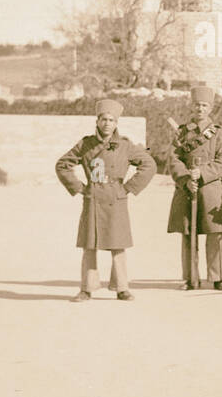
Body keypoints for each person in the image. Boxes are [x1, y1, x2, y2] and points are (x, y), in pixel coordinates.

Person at [55, 99, 157, 301]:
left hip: (115, 197)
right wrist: (79, 187)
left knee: (118, 244)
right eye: (104, 119)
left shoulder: (125, 146)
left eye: (111, 120)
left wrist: (128, 187)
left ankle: (122, 288)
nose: (107, 123)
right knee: (89, 245)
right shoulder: (86, 144)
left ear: (116, 123)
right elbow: (62, 164)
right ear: (97, 121)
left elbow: (149, 165)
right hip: (93, 196)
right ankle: (87, 288)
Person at [166, 85, 222, 290]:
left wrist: (202, 173)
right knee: (188, 234)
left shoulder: (219, 133)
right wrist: (186, 177)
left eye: (204, 105)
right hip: (187, 187)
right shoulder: (182, 132)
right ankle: (190, 278)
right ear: (191, 106)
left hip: (210, 188)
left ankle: (217, 277)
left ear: (210, 108)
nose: (200, 109)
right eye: (196, 105)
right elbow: (174, 158)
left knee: (215, 233)